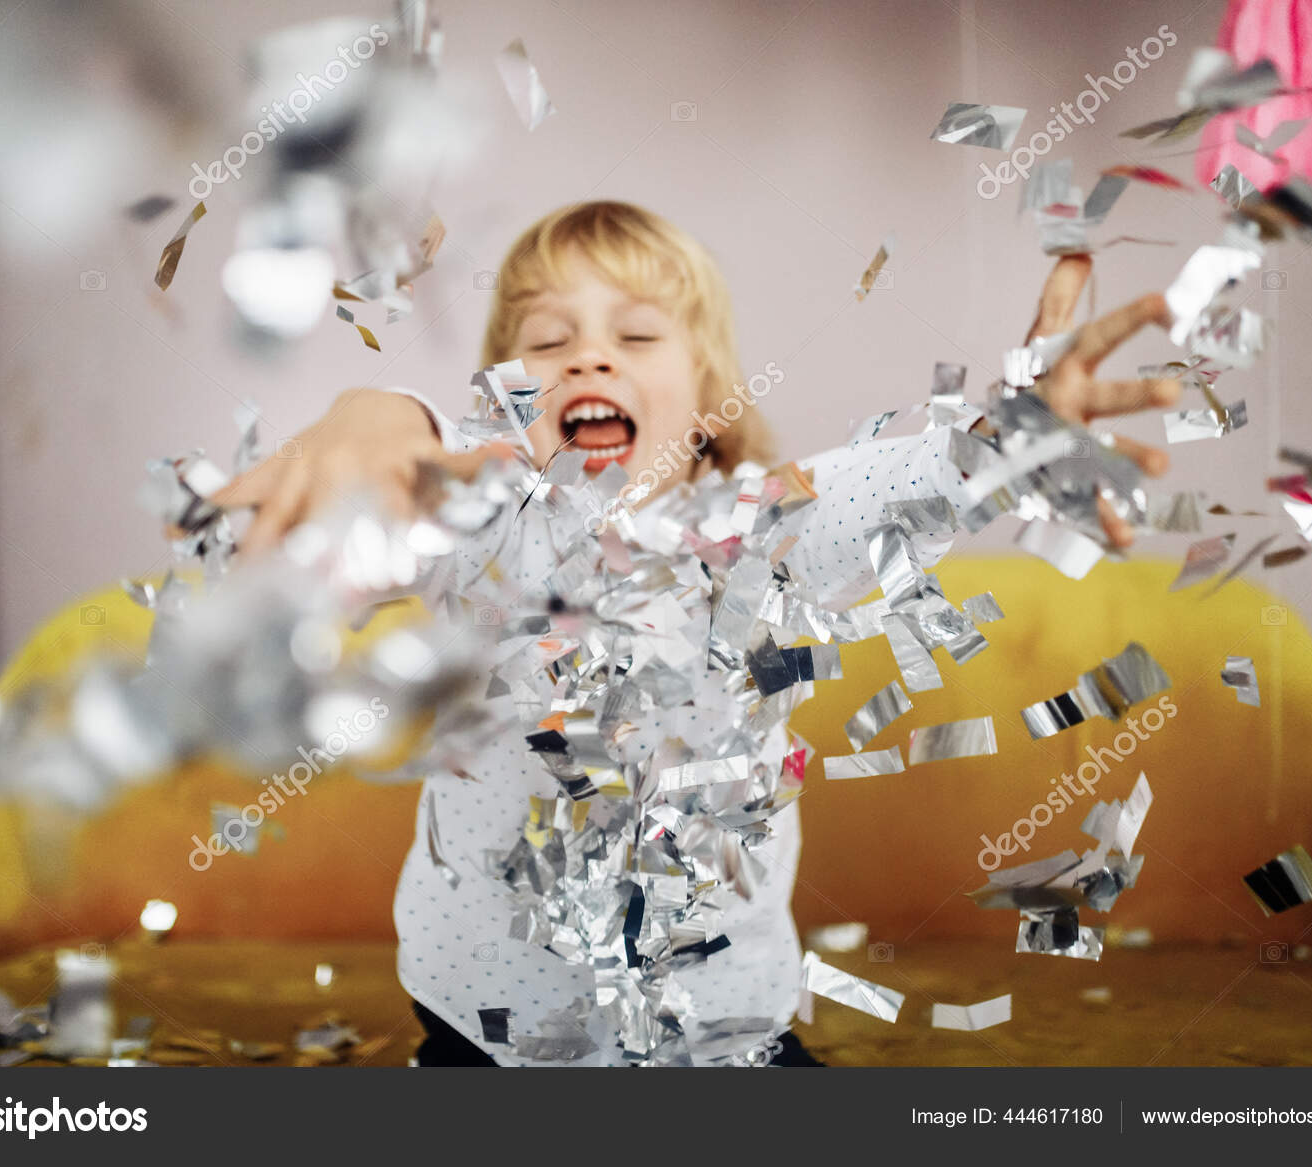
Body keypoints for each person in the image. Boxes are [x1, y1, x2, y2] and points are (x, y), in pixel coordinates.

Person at [211, 201, 1180, 1065]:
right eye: (547, 343)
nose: (590, 358)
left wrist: (1001, 442)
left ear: (708, 388)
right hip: (483, 1028)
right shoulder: (480, 533)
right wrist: (377, 418)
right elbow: (309, 532)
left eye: (637, 334)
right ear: (503, 398)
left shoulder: (769, 536)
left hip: (725, 1034)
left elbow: (881, 491)